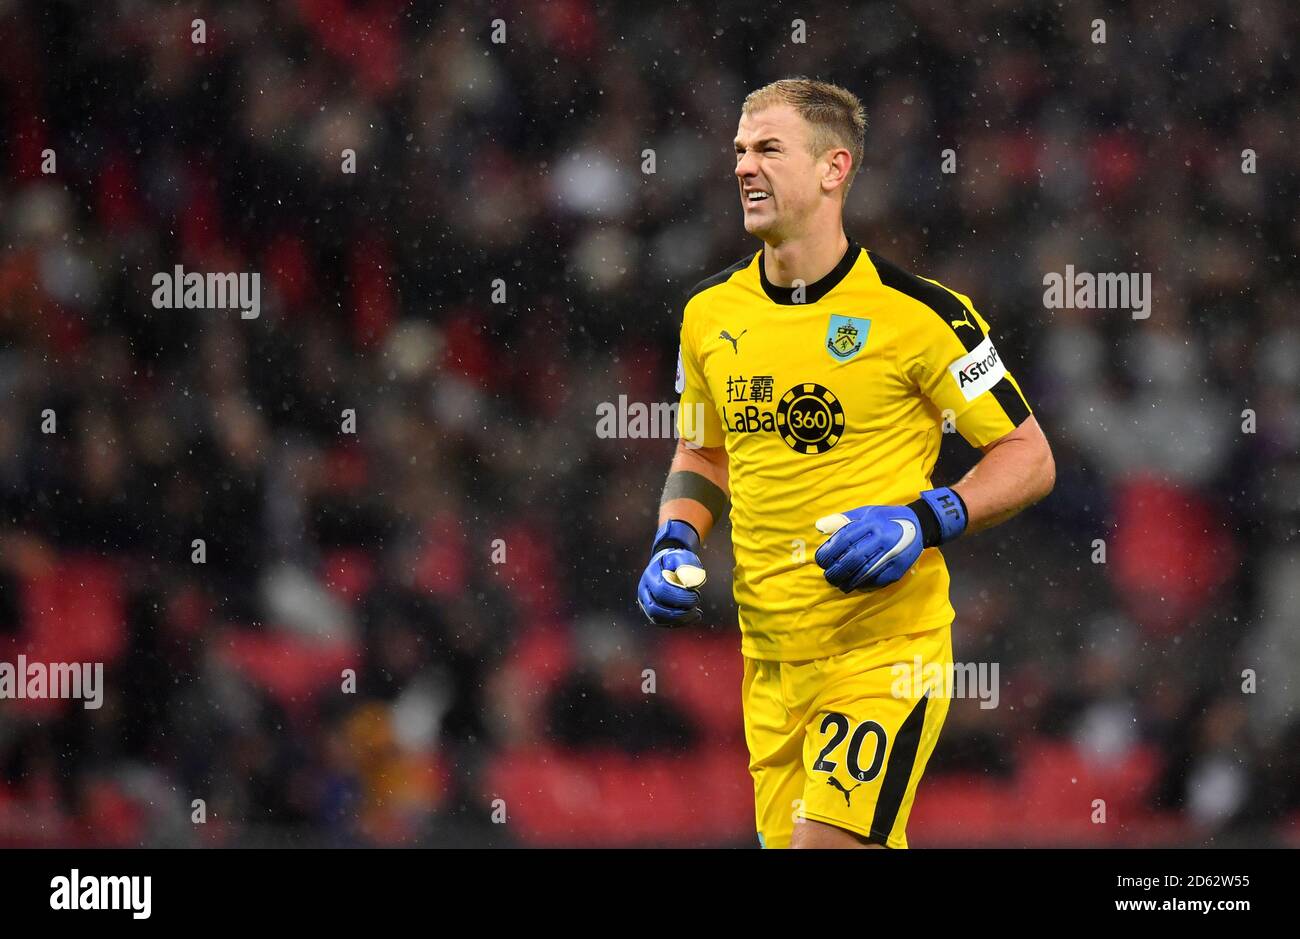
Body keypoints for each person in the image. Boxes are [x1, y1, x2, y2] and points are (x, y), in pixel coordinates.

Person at [635, 78, 1055, 848]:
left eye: (767, 149)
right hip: (770, 661)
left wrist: (923, 519)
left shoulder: (924, 314)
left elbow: (1028, 454)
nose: (742, 168)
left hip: (882, 652)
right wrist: (675, 538)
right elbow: (702, 448)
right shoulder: (709, 316)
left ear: (834, 169)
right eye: (737, 151)